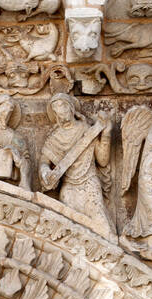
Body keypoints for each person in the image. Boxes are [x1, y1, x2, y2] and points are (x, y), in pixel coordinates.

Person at [38, 94, 113, 239]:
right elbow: (44, 161)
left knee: (101, 224)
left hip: (89, 182)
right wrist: (45, 171)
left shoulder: (87, 130)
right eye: (56, 108)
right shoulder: (54, 138)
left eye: (63, 105)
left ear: (71, 108)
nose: (60, 110)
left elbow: (102, 161)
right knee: (71, 232)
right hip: (68, 188)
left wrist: (106, 135)